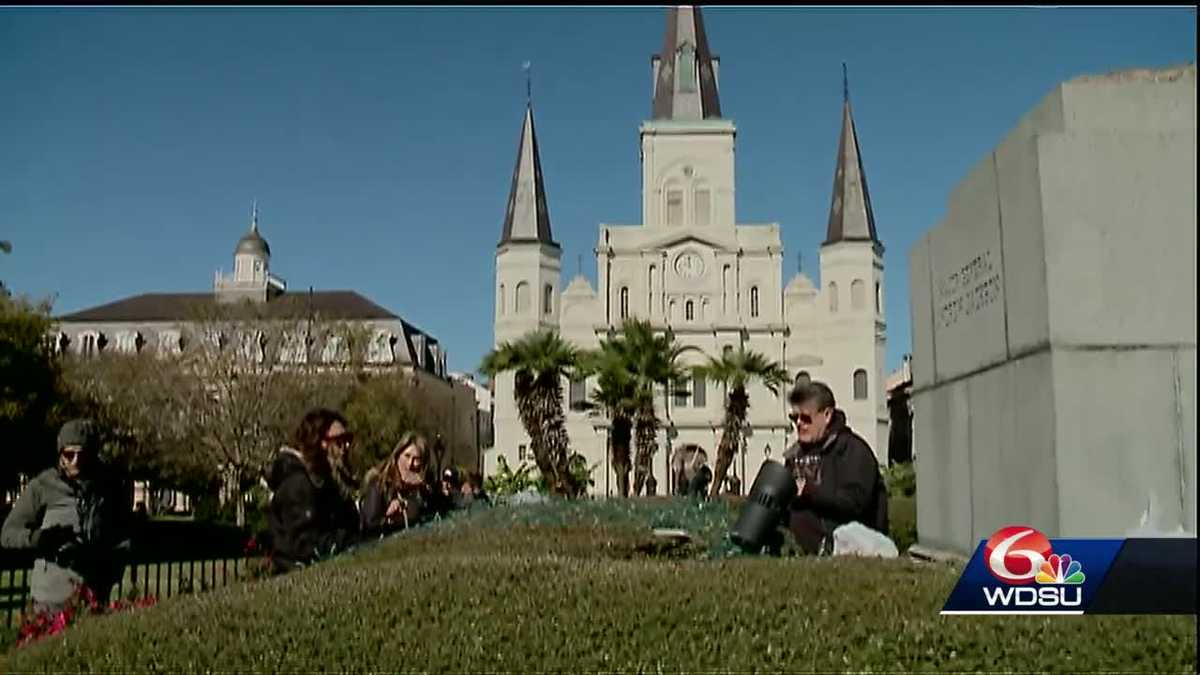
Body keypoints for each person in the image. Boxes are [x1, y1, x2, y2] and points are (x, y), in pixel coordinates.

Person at [1, 419, 132, 613]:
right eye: (69, 455)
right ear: (60, 455)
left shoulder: (108, 488)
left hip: (94, 598)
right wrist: (39, 538)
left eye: (83, 455)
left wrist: (104, 565)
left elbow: (123, 540)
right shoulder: (43, 485)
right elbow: (8, 533)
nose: (76, 462)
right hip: (50, 599)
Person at [782, 381, 888, 555]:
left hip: (851, 551)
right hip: (800, 551)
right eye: (795, 418)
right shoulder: (795, 455)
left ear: (827, 415)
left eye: (806, 418)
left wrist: (809, 492)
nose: (799, 424)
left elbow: (855, 502)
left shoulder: (853, 450)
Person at [265, 409, 361, 573]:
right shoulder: (297, 485)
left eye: (348, 440)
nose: (345, 448)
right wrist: (348, 540)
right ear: (319, 442)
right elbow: (305, 545)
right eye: (339, 441)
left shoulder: (325, 483)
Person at [360, 432, 447, 536]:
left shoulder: (423, 487)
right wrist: (388, 518)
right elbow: (369, 525)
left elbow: (440, 511)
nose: (410, 464)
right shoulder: (379, 484)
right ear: (397, 456)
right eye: (407, 456)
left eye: (416, 459)